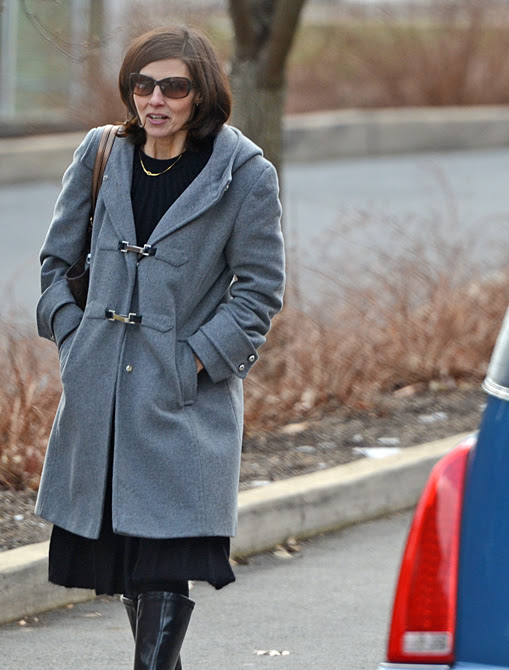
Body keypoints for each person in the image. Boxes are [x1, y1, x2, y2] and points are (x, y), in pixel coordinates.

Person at [35, 25, 285, 668]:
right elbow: (56, 262)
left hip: (182, 401)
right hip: (102, 394)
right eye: (144, 85)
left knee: (165, 559)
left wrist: (193, 359)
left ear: (199, 95)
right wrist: (74, 335)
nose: (156, 99)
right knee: (129, 559)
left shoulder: (245, 173)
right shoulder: (99, 153)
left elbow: (259, 291)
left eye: (173, 86)